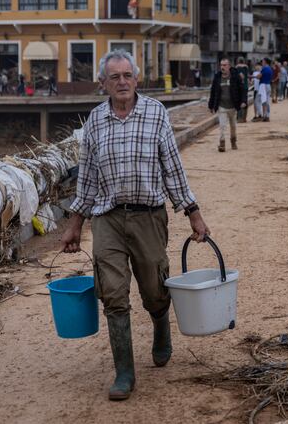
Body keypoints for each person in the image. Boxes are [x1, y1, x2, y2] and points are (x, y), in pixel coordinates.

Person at [60, 49, 209, 401]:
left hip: (148, 216)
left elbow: (173, 169)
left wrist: (193, 213)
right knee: (112, 293)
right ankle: (124, 372)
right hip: (108, 218)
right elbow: (89, 178)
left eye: (127, 75)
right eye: (115, 77)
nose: (122, 82)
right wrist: (75, 224)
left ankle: (161, 327)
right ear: (103, 84)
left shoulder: (155, 114)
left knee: (155, 289)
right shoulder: (95, 121)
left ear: (137, 79)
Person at [208, 57, 246, 152]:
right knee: (222, 126)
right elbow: (213, 91)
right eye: (221, 65)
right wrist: (211, 105)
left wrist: (243, 101)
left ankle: (233, 141)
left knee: (233, 126)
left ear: (229, 66)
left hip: (233, 106)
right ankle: (222, 144)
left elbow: (242, 89)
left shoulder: (235, 76)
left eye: (224, 65)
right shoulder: (217, 77)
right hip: (222, 106)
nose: (222, 67)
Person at [234, 57, 250, 123]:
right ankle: (244, 118)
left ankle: (239, 118)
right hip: (245, 87)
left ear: (238, 61)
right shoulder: (246, 67)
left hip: (239, 87)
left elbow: (237, 76)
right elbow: (247, 76)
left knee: (239, 101)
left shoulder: (236, 67)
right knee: (245, 101)